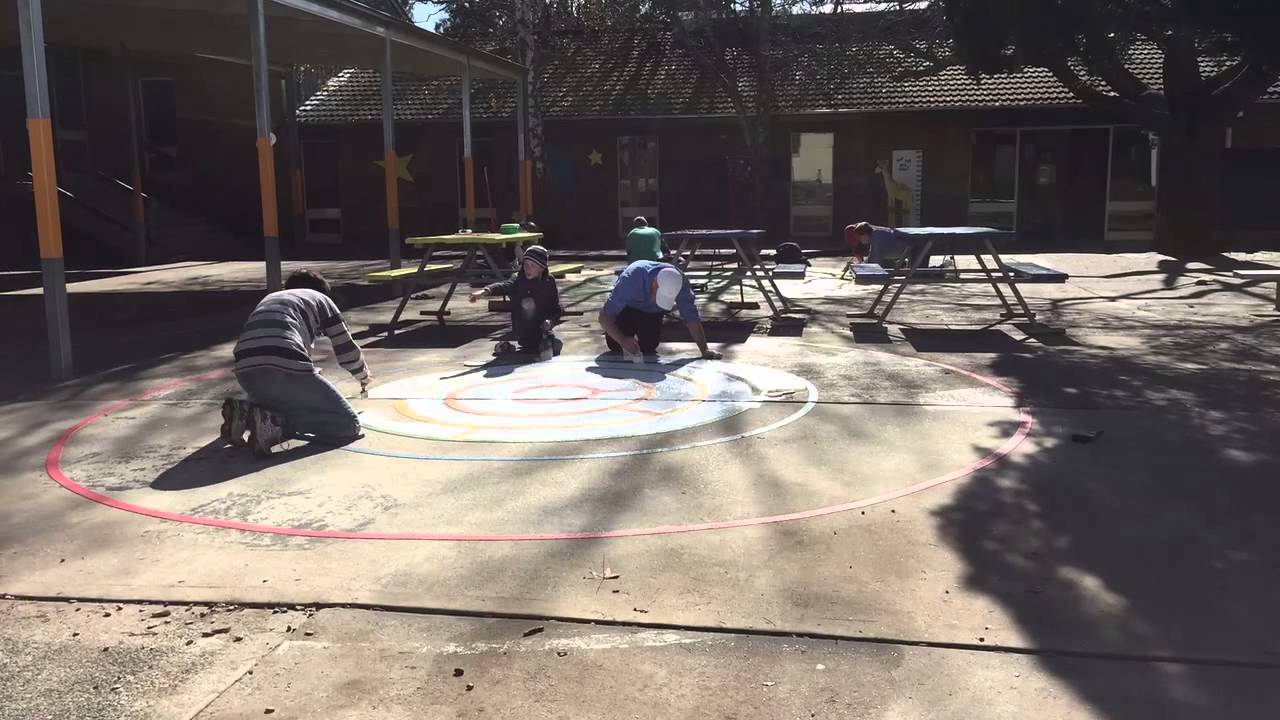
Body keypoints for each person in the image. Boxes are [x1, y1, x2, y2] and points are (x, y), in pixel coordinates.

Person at [221, 270, 371, 456]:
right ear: (323, 291)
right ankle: (276, 422)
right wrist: (363, 376)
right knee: (348, 425)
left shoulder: (272, 298)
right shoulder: (322, 300)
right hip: (286, 362)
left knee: (279, 401)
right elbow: (346, 350)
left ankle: (245, 412)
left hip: (245, 367)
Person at [599, 260, 722, 360]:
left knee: (648, 347)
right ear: (654, 283)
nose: (659, 299)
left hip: (651, 313)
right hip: (627, 309)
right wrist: (622, 339)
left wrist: (704, 350)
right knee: (615, 345)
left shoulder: (680, 282)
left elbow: (691, 318)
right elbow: (604, 317)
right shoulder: (632, 278)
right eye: (660, 296)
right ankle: (623, 335)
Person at [470, 244, 561, 358]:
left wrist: (550, 321)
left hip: (543, 328)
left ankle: (536, 345)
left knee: (555, 346)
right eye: (526, 265)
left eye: (532, 266)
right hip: (524, 327)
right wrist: (485, 291)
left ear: (542, 268)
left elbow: (556, 308)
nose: (528, 269)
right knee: (532, 347)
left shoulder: (549, 281)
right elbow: (504, 286)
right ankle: (509, 347)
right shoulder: (518, 280)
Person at [846, 221, 929, 268]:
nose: (860, 241)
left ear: (864, 234)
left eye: (860, 238)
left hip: (912, 248)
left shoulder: (876, 238)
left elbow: (874, 263)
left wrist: (859, 266)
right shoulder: (876, 232)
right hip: (910, 246)